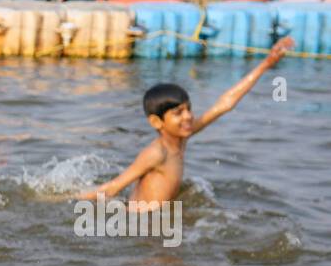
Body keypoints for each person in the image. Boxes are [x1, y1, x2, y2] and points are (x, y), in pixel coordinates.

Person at [78, 37, 292, 207]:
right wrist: (65, 202)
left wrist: (266, 64)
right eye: (178, 113)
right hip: (143, 224)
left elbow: (224, 104)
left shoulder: (182, 137)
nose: (188, 116)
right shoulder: (156, 153)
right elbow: (114, 188)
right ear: (156, 122)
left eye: (189, 109)